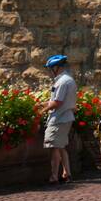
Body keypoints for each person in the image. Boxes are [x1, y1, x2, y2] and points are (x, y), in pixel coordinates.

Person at [41, 54, 76, 185]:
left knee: (54, 147)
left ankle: (54, 176)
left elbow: (57, 102)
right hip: (66, 117)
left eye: (51, 68)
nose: (50, 71)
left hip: (59, 118)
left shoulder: (61, 82)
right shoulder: (68, 79)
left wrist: (41, 111)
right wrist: (43, 104)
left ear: (56, 67)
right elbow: (57, 100)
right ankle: (67, 173)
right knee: (61, 147)